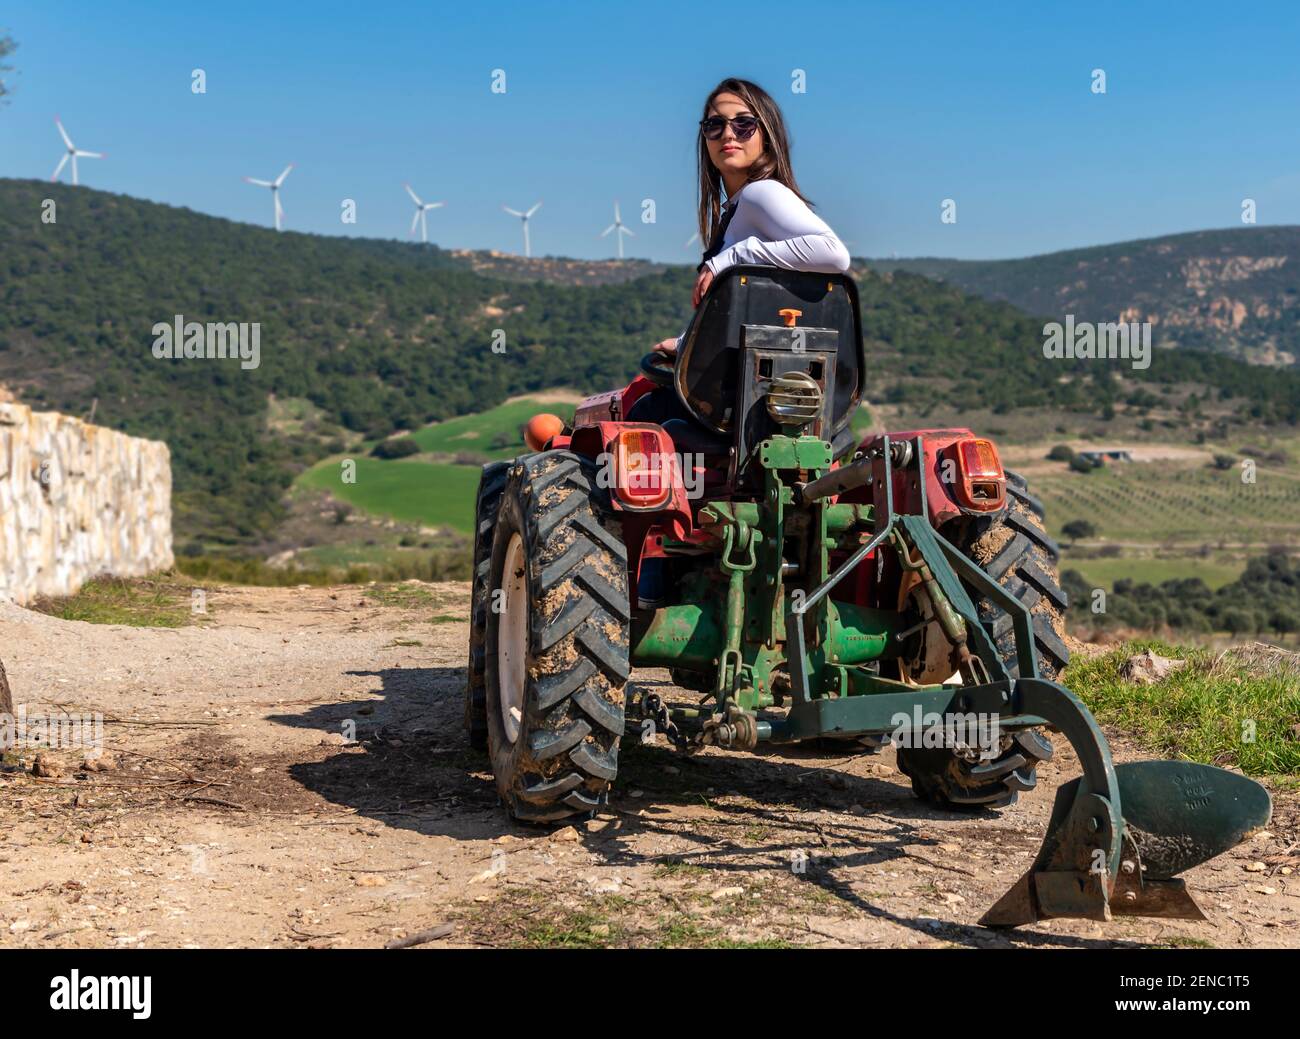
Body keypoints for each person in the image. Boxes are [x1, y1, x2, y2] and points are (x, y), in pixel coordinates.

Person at [653, 76, 851, 359]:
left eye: (743, 123)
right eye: (715, 125)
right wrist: (687, 343)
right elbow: (759, 309)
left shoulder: (760, 193)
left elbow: (834, 255)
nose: (728, 134)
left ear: (767, 134)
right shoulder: (736, 208)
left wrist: (734, 256)